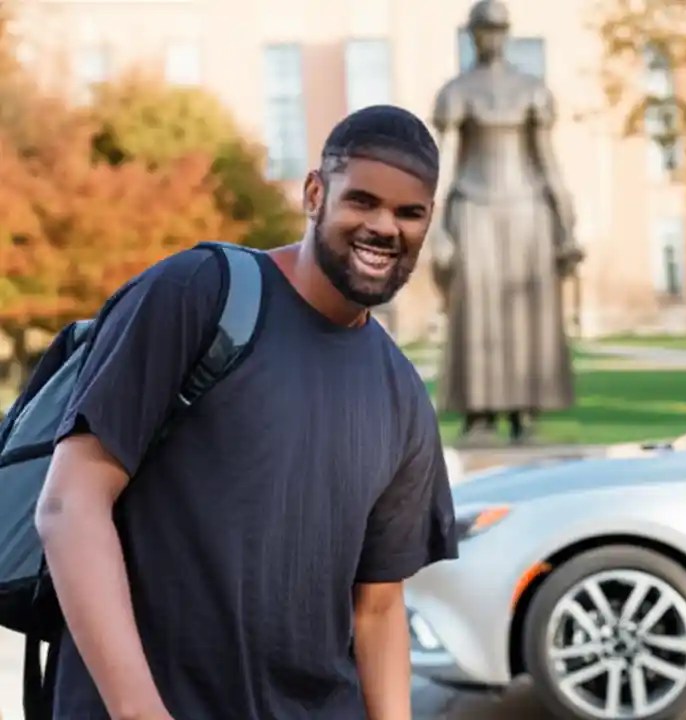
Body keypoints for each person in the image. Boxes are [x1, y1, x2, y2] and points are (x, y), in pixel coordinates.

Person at [33, 105, 458, 719]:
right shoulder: (201, 294)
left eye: (407, 212)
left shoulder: (402, 395)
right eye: (362, 201)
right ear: (315, 193)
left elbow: (379, 608)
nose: (383, 227)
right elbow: (70, 505)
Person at [430, 0, 584, 445]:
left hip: (527, 208)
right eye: (483, 29)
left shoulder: (531, 90)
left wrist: (566, 225)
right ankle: (478, 414)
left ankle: (523, 410)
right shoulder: (457, 91)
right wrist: (436, 226)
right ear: (472, 34)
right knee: (475, 310)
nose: (491, 37)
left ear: (507, 33)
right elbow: (441, 163)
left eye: (498, 29)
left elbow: (548, 162)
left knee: (527, 313)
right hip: (473, 208)